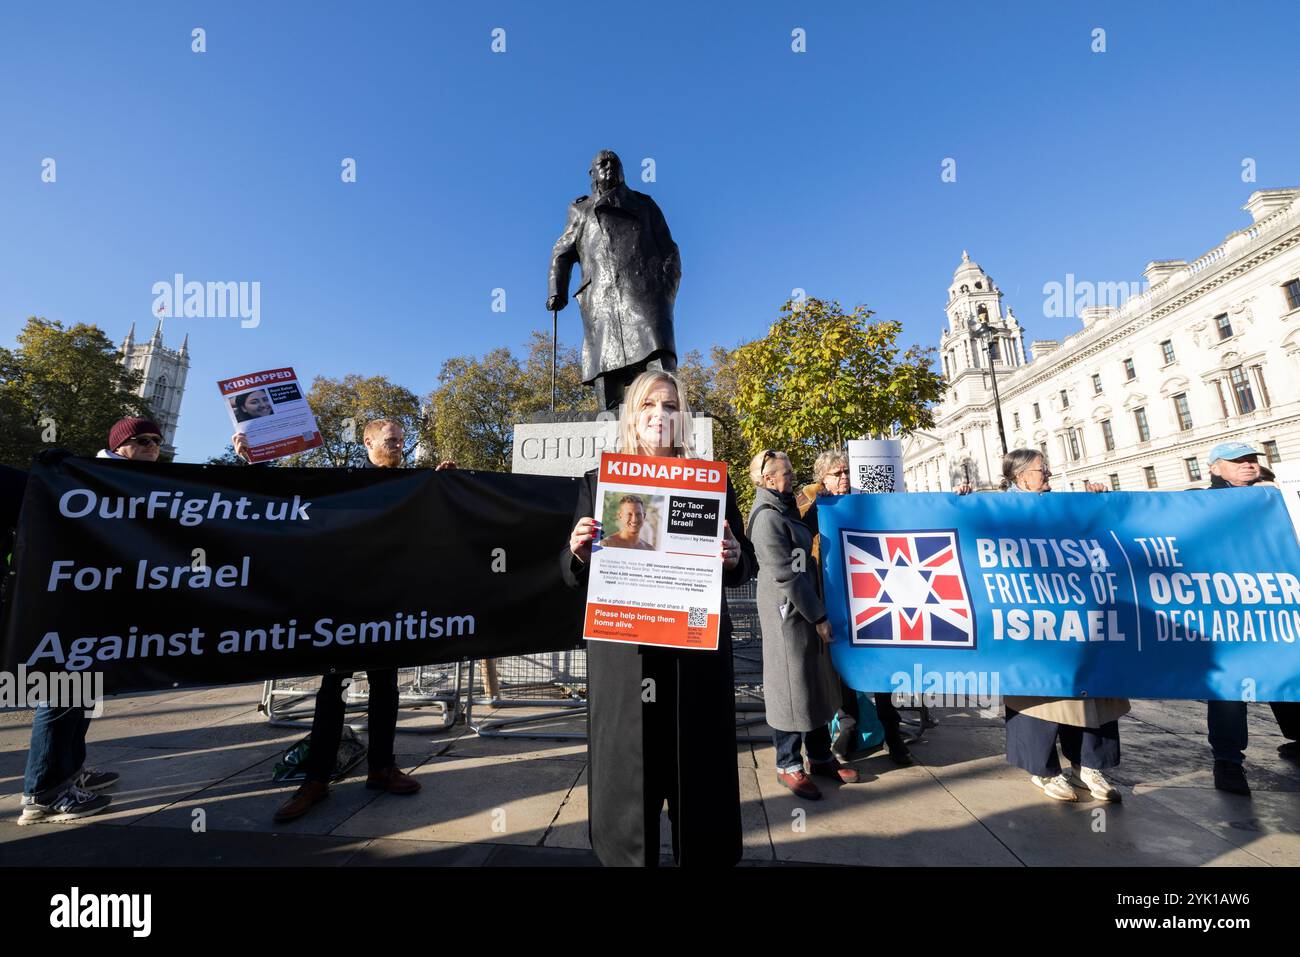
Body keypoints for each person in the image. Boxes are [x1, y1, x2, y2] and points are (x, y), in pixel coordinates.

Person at [562, 370, 754, 866]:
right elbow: (570, 574)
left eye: (670, 407)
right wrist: (577, 552)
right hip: (625, 658)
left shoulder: (711, 483)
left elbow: (743, 564)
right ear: (633, 415)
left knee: (699, 770)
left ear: (681, 417)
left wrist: (735, 555)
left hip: (695, 658)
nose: (660, 416)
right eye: (649, 406)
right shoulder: (597, 483)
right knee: (628, 776)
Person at [267, 418, 455, 822]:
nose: (399, 445)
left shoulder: (413, 483)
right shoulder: (346, 483)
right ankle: (316, 780)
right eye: (391, 440)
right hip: (346, 604)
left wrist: (443, 485)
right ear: (368, 441)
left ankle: (382, 768)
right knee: (333, 689)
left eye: (403, 440)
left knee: (386, 686)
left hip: (388, 603)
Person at [15, 417, 161, 823]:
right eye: (141, 440)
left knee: (81, 695)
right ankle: (44, 793)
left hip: (102, 606)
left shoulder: (144, 481)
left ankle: (70, 770)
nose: (152, 446)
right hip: (69, 604)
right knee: (61, 693)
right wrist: (49, 473)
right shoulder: (87, 477)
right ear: (118, 446)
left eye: (156, 440)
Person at [996, 449, 1128, 803]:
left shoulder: (1063, 504)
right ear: (1021, 476)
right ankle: (1044, 769)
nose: (1049, 474)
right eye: (1042, 469)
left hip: (1076, 617)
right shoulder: (995, 509)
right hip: (1029, 621)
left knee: (1089, 692)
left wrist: (1099, 503)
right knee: (1038, 695)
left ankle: (1088, 766)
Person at [749, 450, 857, 800]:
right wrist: (820, 616)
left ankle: (820, 756)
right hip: (789, 613)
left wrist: (817, 506)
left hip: (800, 610)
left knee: (811, 684)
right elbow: (787, 576)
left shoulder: (782, 507)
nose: (793, 476)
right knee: (790, 689)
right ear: (769, 479)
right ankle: (788, 764)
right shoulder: (766, 517)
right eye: (787, 472)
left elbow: (800, 536)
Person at [797, 449, 915, 765]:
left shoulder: (865, 502)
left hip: (870, 600)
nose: (845, 477)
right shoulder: (808, 505)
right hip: (832, 600)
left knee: (882, 672)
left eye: (847, 471)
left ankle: (893, 736)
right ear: (822, 477)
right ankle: (847, 732)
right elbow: (799, 541)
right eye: (837, 473)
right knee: (843, 672)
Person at [546, 150, 681, 410]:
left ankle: (668, 408)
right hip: (601, 296)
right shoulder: (581, 209)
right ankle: (608, 414)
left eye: (614, 162)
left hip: (644, 292)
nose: (608, 166)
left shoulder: (644, 204)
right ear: (592, 173)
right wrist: (557, 291)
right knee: (605, 364)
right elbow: (561, 252)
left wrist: (663, 287)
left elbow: (670, 251)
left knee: (658, 348)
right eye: (602, 163)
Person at [1201, 441, 1300, 794]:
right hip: (1226, 607)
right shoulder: (1199, 504)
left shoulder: (1272, 498)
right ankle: (1227, 761)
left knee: (1287, 668)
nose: (1248, 465)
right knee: (1231, 684)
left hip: (1274, 599)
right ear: (1215, 468)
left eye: (1252, 460)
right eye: (1238, 461)